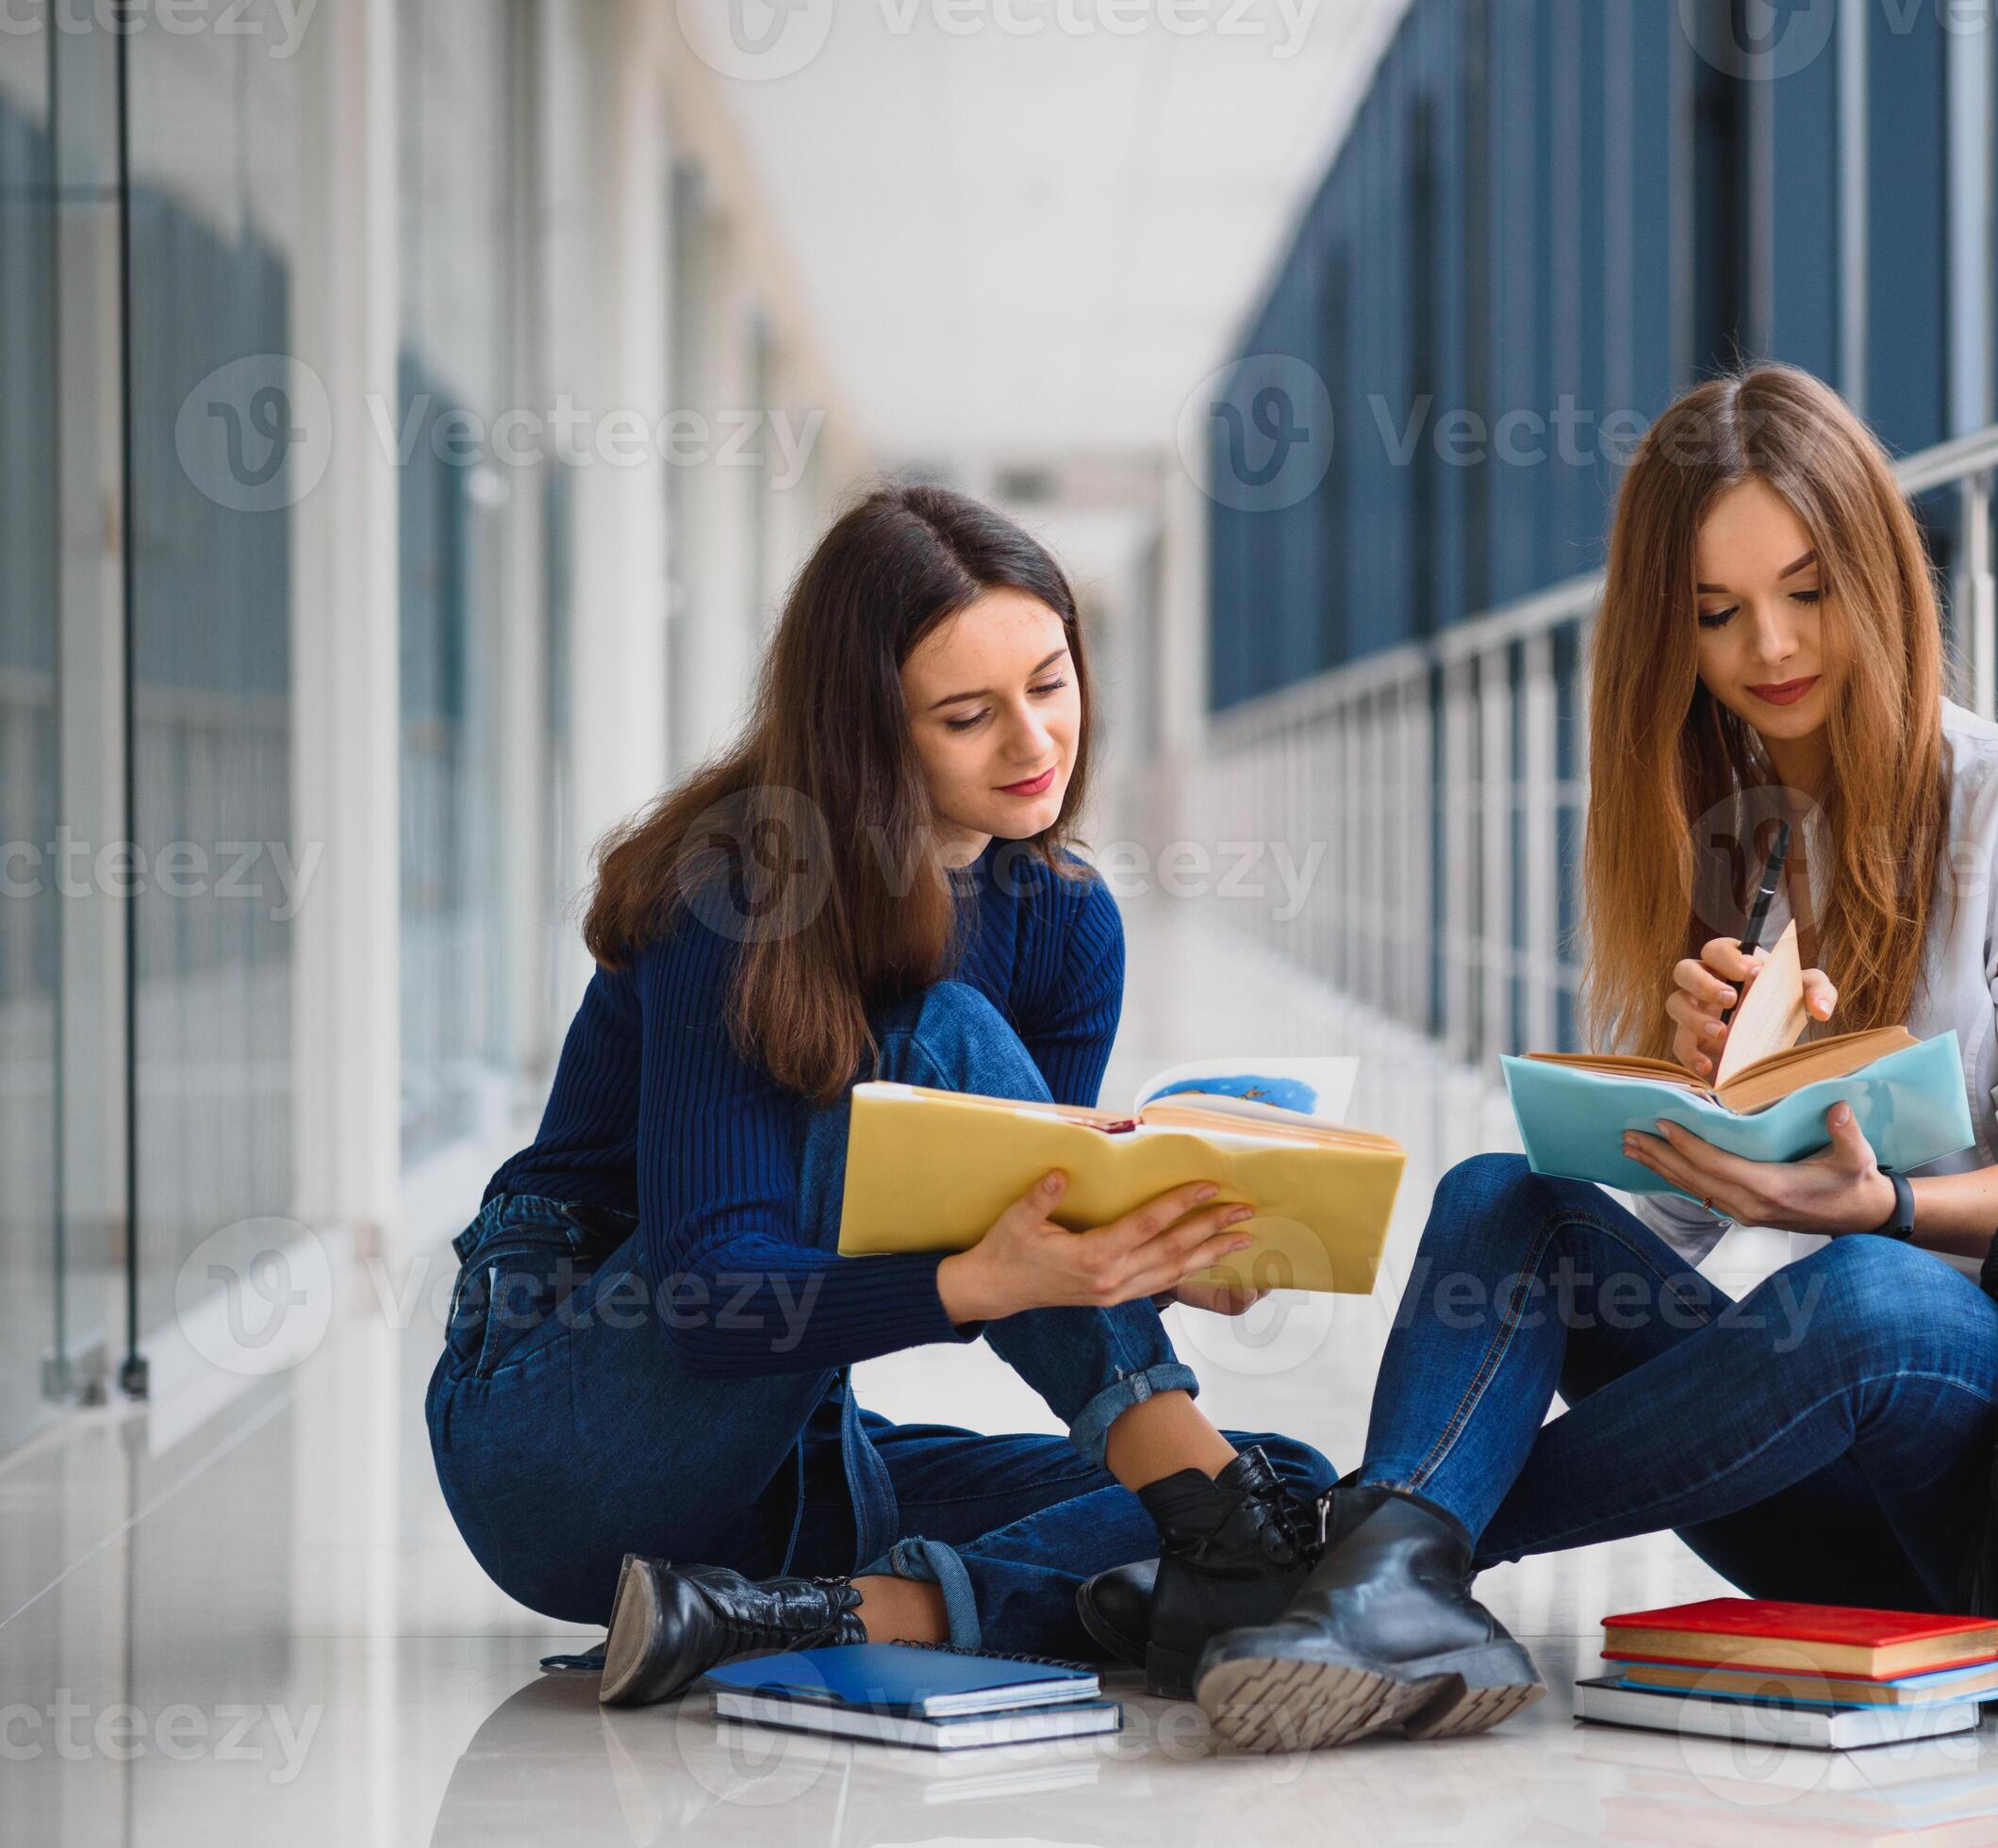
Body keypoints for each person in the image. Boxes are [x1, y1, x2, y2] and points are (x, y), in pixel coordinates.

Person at [1181, 364, 1998, 1752]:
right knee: (1505, 1193)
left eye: (1808, 589)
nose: (1769, 646)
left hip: (1997, 1489)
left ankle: (1357, 1552)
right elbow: (1667, 1231)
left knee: (1871, 1295)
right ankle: (1393, 1564)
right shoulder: (1753, 845)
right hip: (1806, 1489)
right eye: (1717, 614)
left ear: (1886, 576)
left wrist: (1878, 1203)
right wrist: (1692, 1099)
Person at [424, 483, 1332, 1707]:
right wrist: (994, 1277)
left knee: (1300, 1477)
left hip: (791, 1465)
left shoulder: (1064, 925)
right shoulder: (739, 895)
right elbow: (711, 1302)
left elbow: (1016, 1246)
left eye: (1051, 682)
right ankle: (1222, 1528)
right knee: (939, 1031)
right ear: (868, 736)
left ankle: (796, 1617)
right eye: (968, 716)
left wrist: (1146, 1254)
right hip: (566, 1434)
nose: (1035, 745)